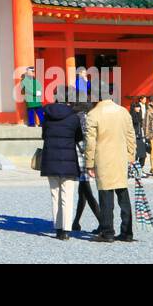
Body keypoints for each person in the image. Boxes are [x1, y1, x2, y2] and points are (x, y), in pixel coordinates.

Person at [84, 96, 136, 243]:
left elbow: (90, 142)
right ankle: (127, 232)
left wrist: (89, 163)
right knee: (123, 194)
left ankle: (108, 232)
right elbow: (130, 135)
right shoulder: (123, 111)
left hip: (103, 158)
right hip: (120, 157)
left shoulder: (93, 114)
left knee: (106, 196)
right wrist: (131, 155)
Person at [39, 96, 83, 240]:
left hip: (51, 159)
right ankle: (66, 230)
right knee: (67, 196)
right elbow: (78, 138)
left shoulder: (47, 116)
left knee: (55, 195)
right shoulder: (74, 118)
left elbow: (44, 135)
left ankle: (57, 227)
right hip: (68, 160)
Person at [71, 103, 101, 234]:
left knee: (86, 191)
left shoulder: (79, 116)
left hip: (82, 155)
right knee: (82, 192)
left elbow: (83, 137)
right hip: (86, 154)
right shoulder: (86, 115)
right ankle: (76, 222)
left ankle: (102, 222)